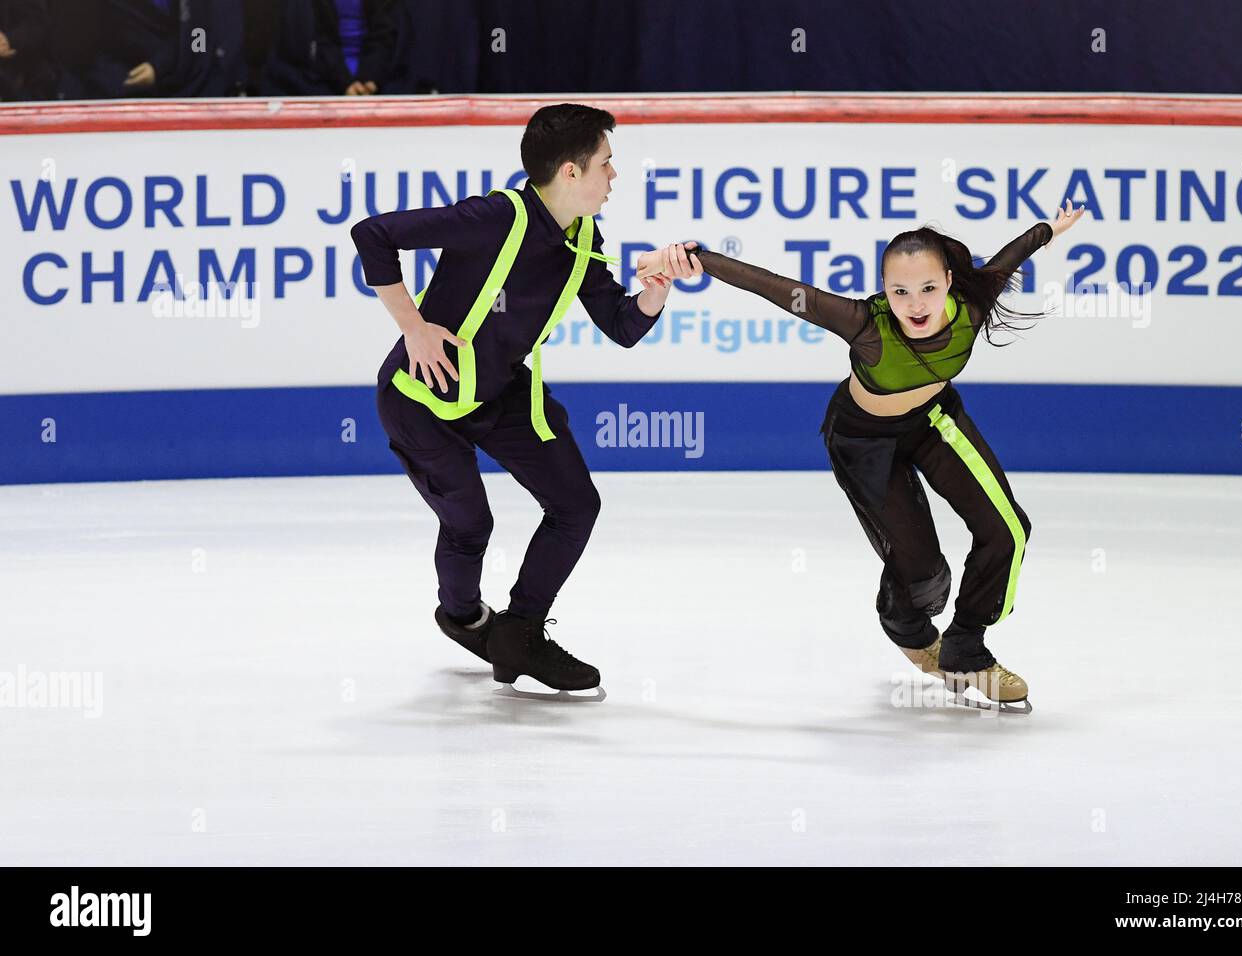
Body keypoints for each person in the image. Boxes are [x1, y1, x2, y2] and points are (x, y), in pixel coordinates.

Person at [639, 201, 1088, 713]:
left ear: (948, 280)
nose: (914, 304)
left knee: (1008, 529)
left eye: (927, 289)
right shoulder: (866, 325)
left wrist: (1049, 228)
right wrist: (692, 258)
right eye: (898, 291)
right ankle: (911, 633)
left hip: (934, 422)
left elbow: (1012, 255)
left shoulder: (973, 303)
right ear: (883, 289)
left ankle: (966, 647)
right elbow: (773, 286)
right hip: (862, 441)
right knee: (923, 573)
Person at [352, 103, 680, 696]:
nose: (616, 176)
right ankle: (464, 618)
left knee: (576, 504)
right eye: (607, 164)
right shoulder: (493, 218)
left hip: (501, 391)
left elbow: (619, 324)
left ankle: (520, 633)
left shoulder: (582, 235)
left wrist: (654, 292)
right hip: (421, 401)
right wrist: (414, 328)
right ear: (571, 172)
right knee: (471, 524)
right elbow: (374, 234)